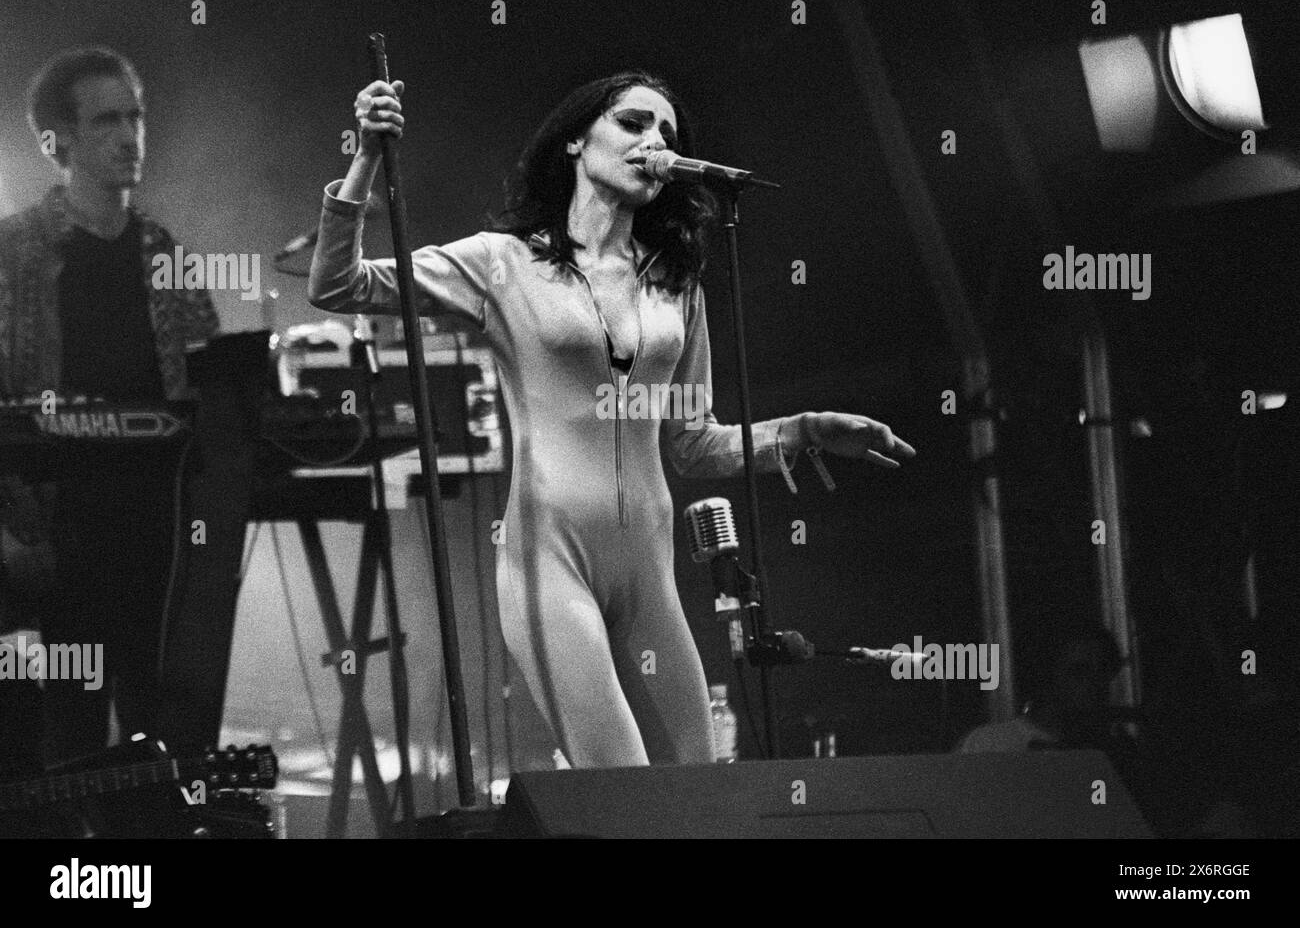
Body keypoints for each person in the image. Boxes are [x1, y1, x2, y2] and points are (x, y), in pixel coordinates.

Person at [308, 70, 915, 768]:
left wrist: (804, 428)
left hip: (648, 568)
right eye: (633, 123)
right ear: (575, 140)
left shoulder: (675, 282)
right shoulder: (501, 263)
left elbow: (693, 443)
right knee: (623, 788)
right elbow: (336, 284)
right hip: (548, 560)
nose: (655, 142)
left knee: (701, 784)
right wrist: (365, 160)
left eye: (667, 134)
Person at [0, 47, 219, 763]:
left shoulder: (164, 252)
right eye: (106, 121)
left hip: (157, 536)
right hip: (55, 540)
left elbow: (205, 389)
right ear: (57, 142)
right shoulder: (13, 256)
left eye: (136, 116)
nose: (131, 137)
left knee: (162, 745)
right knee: (65, 743)